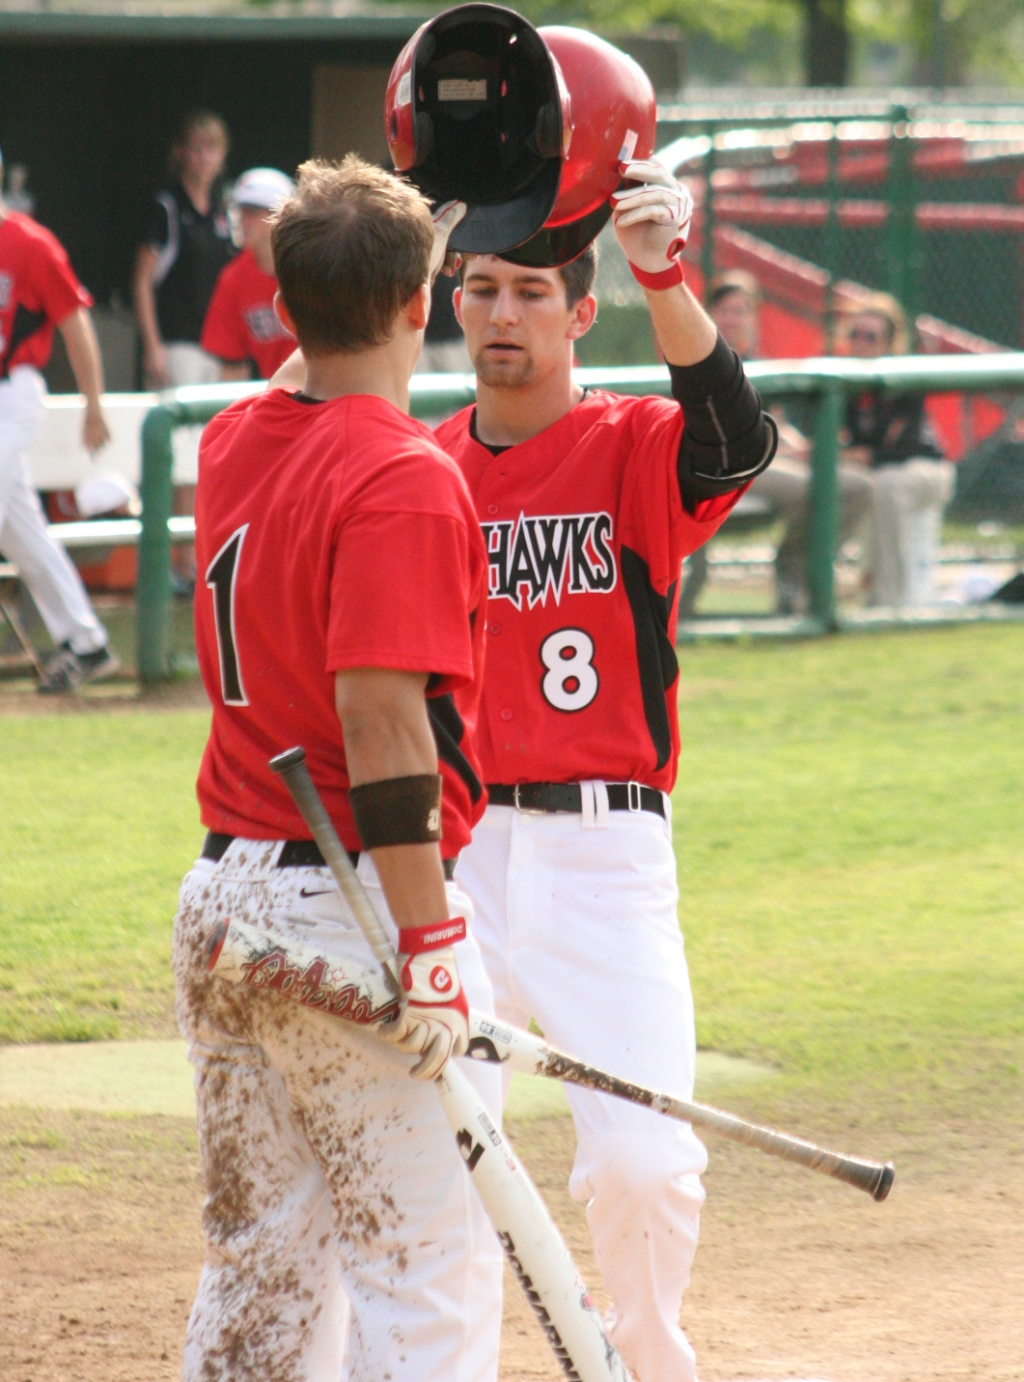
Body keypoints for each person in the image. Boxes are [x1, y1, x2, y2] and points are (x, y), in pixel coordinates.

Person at [433, 157, 777, 1382]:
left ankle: (637, 1353)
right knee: (433, 1150)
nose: (503, 315)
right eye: (479, 289)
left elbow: (735, 439)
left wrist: (664, 274)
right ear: (451, 301)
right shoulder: (422, 468)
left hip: (603, 852)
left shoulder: (631, 440)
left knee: (644, 1162)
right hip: (453, 860)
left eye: (532, 291)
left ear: (581, 314)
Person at [172, 158, 503, 1382]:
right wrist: (427, 947)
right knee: (422, 1260)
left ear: (282, 298)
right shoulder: (409, 473)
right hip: (347, 899)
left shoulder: (234, 436)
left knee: (261, 1256)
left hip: (222, 897)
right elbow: (381, 726)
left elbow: (305, 369)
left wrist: (366, 249)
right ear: (425, 303)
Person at [682, 271, 871, 616]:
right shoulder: (692, 357)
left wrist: (803, 447)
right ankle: (791, 569)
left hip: (769, 462)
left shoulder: (759, 365)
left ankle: (799, 568)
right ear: (707, 313)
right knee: (814, 488)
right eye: (724, 309)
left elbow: (779, 425)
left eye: (741, 310)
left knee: (858, 486)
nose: (732, 318)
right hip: (721, 467)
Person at [0, 144, 118, 693]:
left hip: (13, 390)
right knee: (21, 533)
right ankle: (86, 641)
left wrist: (93, 405)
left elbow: (75, 325)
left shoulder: (30, 244)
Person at [841, 293, 955, 606]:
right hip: (885, 472)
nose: (861, 343)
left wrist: (853, 454)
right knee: (855, 481)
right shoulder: (848, 385)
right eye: (855, 334)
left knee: (885, 484)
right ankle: (829, 586)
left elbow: (888, 452)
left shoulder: (902, 382)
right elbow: (853, 448)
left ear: (889, 343)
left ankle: (886, 602)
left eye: (871, 337)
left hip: (927, 471)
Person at [133, 110, 235, 390]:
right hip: (176, 348)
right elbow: (142, 281)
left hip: (219, 353)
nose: (203, 156)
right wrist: (153, 346)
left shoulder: (225, 215)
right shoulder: (166, 207)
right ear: (180, 152)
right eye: (196, 147)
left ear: (223, 155)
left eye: (212, 148)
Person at [201, 168, 298, 381]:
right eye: (240, 211)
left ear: (281, 215)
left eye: (252, 212)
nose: (242, 220)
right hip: (277, 393)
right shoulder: (233, 279)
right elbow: (231, 365)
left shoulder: (315, 267)